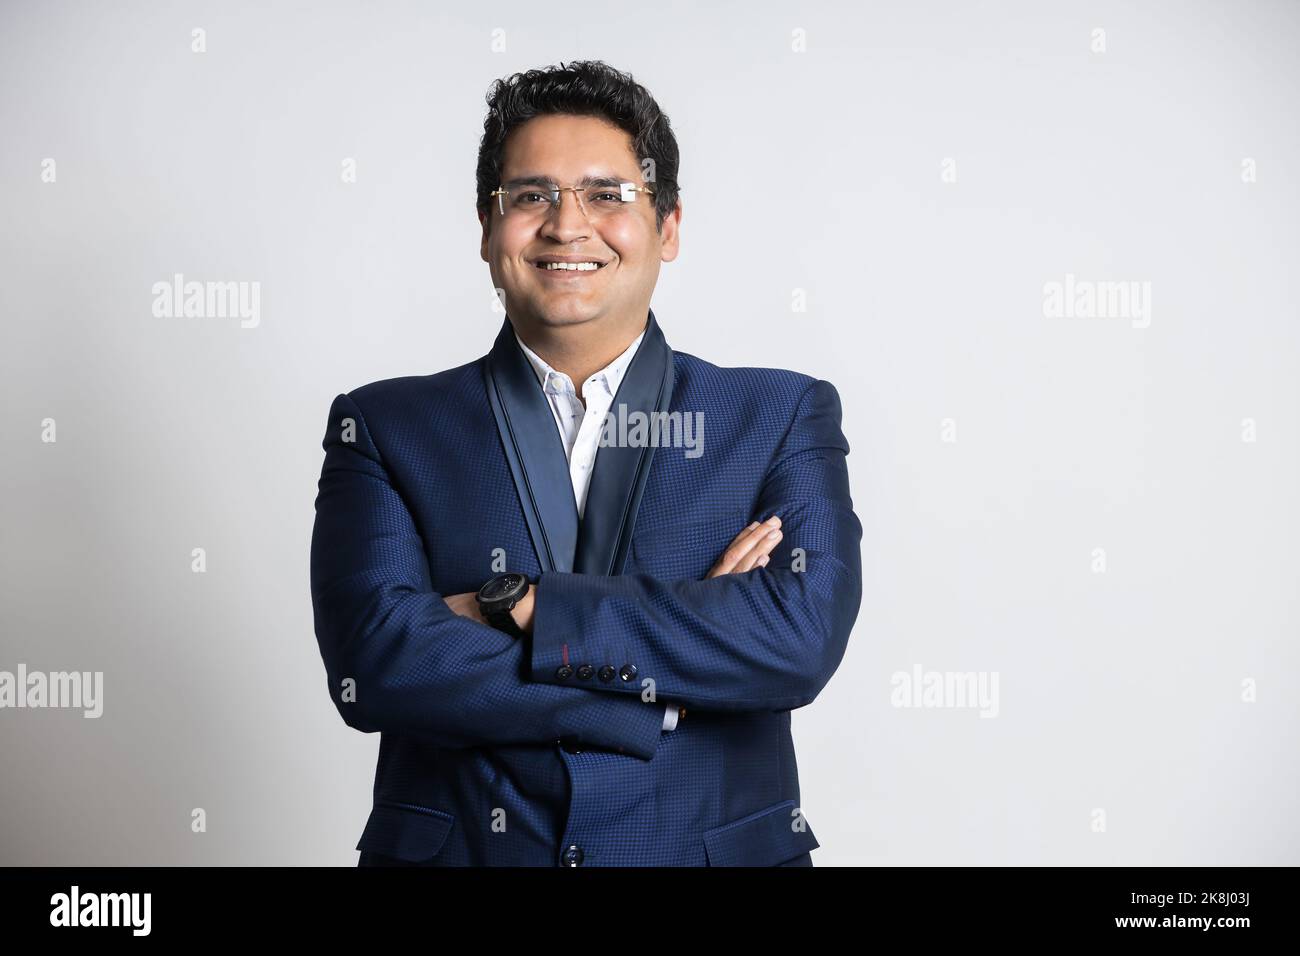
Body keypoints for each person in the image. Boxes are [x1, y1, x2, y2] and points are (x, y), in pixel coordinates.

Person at [309, 60, 862, 866]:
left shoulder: (776, 417)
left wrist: (521, 605)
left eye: (608, 195)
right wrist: (661, 680)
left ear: (668, 227)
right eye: (531, 195)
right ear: (486, 224)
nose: (568, 226)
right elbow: (377, 663)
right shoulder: (385, 427)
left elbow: (796, 641)